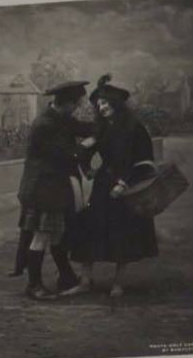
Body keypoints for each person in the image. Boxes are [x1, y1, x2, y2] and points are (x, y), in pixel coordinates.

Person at [65, 74, 158, 300]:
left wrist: (123, 183)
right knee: (88, 229)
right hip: (103, 185)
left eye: (105, 103)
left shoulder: (136, 129)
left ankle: (118, 282)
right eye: (99, 104)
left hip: (127, 186)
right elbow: (86, 149)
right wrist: (86, 168)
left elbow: (144, 162)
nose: (101, 107)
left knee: (122, 234)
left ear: (115, 103)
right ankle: (86, 280)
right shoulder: (103, 128)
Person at [15, 79, 92, 300]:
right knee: (41, 236)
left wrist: (105, 127)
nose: (77, 109)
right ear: (66, 103)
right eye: (76, 104)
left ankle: (66, 276)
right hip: (43, 189)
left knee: (56, 235)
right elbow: (65, 154)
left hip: (52, 187)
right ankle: (34, 286)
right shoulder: (45, 124)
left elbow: (86, 128)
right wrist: (85, 146)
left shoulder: (61, 119)